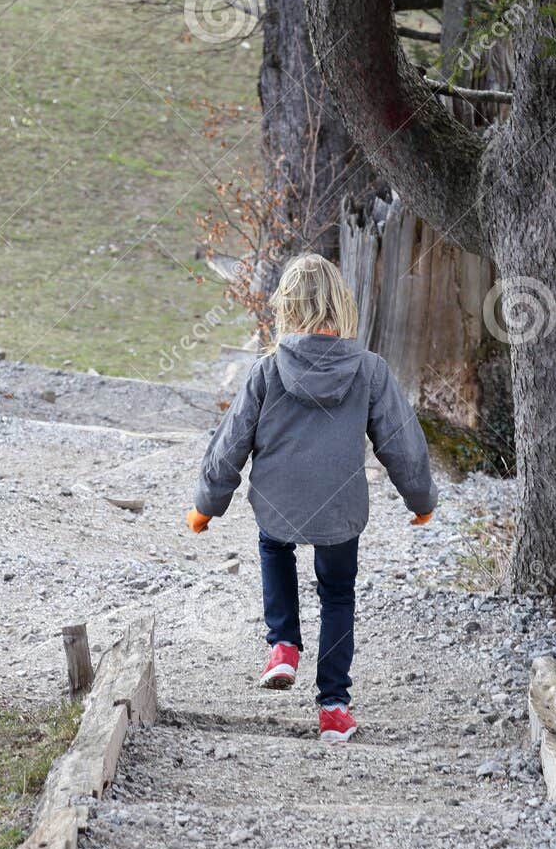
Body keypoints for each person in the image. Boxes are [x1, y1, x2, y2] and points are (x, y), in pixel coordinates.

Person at [187, 254, 437, 741]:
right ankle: (334, 708)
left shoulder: (267, 371)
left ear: (286, 308)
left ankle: (282, 645)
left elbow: (231, 442)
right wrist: (420, 500)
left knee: (274, 546)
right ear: (341, 305)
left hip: (278, 502)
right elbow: (402, 445)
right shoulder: (369, 371)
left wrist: (206, 504)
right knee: (338, 594)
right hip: (340, 509)